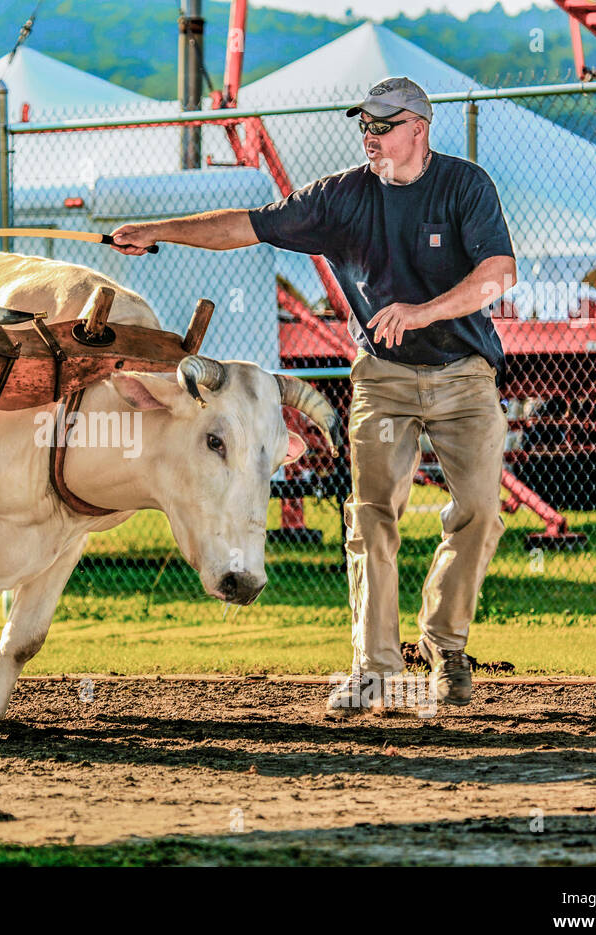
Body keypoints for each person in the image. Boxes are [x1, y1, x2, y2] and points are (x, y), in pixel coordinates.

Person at [111, 77, 516, 712]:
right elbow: (247, 225)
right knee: (372, 516)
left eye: (383, 126)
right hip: (382, 376)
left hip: (464, 374)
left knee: (480, 511)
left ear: (419, 128)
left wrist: (423, 311)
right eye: (365, 126)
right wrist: (158, 229)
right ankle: (375, 669)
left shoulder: (466, 185)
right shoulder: (342, 196)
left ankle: (445, 642)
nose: (370, 136)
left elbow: (497, 278)